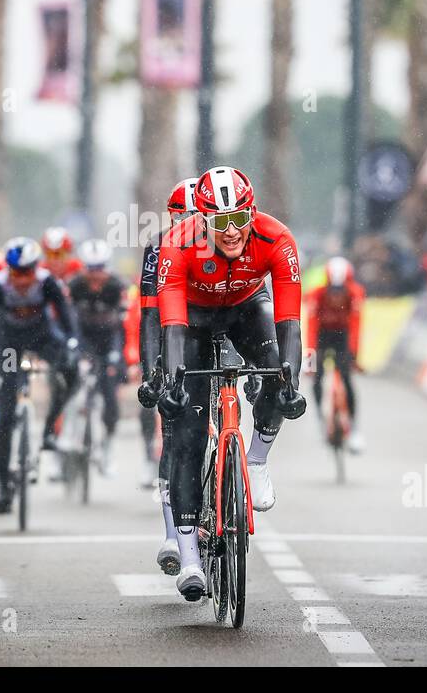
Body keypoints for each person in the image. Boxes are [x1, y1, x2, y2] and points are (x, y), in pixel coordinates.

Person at [155, 166, 306, 599]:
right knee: (186, 436)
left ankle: (256, 460)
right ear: (202, 220)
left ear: (252, 212)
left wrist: (289, 379)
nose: (233, 230)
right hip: (194, 319)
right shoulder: (177, 242)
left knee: (279, 372)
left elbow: (290, 321)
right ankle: (188, 557)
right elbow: (172, 323)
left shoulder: (277, 239)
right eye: (221, 222)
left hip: (246, 307)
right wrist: (174, 378)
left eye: (240, 218)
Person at [0, 236, 80, 514]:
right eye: (17, 273)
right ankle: (3, 487)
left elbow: (66, 315)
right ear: (9, 270)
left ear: (36, 268)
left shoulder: (47, 281)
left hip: (42, 338)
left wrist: (72, 342)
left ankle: (49, 430)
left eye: (28, 272)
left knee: (70, 373)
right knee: (7, 412)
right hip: (11, 345)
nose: (23, 280)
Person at [136, 177, 197, 575]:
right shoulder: (158, 246)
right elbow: (149, 314)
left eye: (198, 215)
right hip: (173, 337)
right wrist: (150, 373)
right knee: (174, 438)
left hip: (214, 332)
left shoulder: (229, 239)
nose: (191, 222)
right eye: (183, 215)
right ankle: (173, 532)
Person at [67, 239, 126, 474]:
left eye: (100, 268)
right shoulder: (75, 286)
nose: (95, 275)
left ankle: (108, 446)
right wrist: (74, 348)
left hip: (108, 340)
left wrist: (116, 354)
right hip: (83, 338)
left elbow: (121, 326)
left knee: (110, 397)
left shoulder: (115, 286)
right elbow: (68, 320)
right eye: (91, 269)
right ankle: (69, 435)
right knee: (69, 384)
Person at [305, 256, 366, 453]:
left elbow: (357, 326)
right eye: (333, 290)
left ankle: (354, 428)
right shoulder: (316, 295)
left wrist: (354, 356)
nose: (337, 296)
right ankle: (321, 418)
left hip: (342, 335)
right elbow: (311, 327)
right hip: (323, 335)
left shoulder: (356, 293)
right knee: (317, 379)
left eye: (341, 291)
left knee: (347, 378)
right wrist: (310, 359)